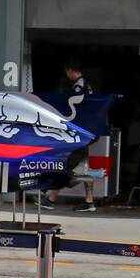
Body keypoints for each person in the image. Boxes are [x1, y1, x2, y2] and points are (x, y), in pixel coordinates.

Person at [44, 58, 97, 212]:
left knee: (66, 163)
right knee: (85, 166)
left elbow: (75, 110)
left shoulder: (79, 87)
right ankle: (89, 201)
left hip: (79, 133)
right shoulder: (87, 85)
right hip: (87, 131)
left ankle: (51, 197)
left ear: (70, 70)